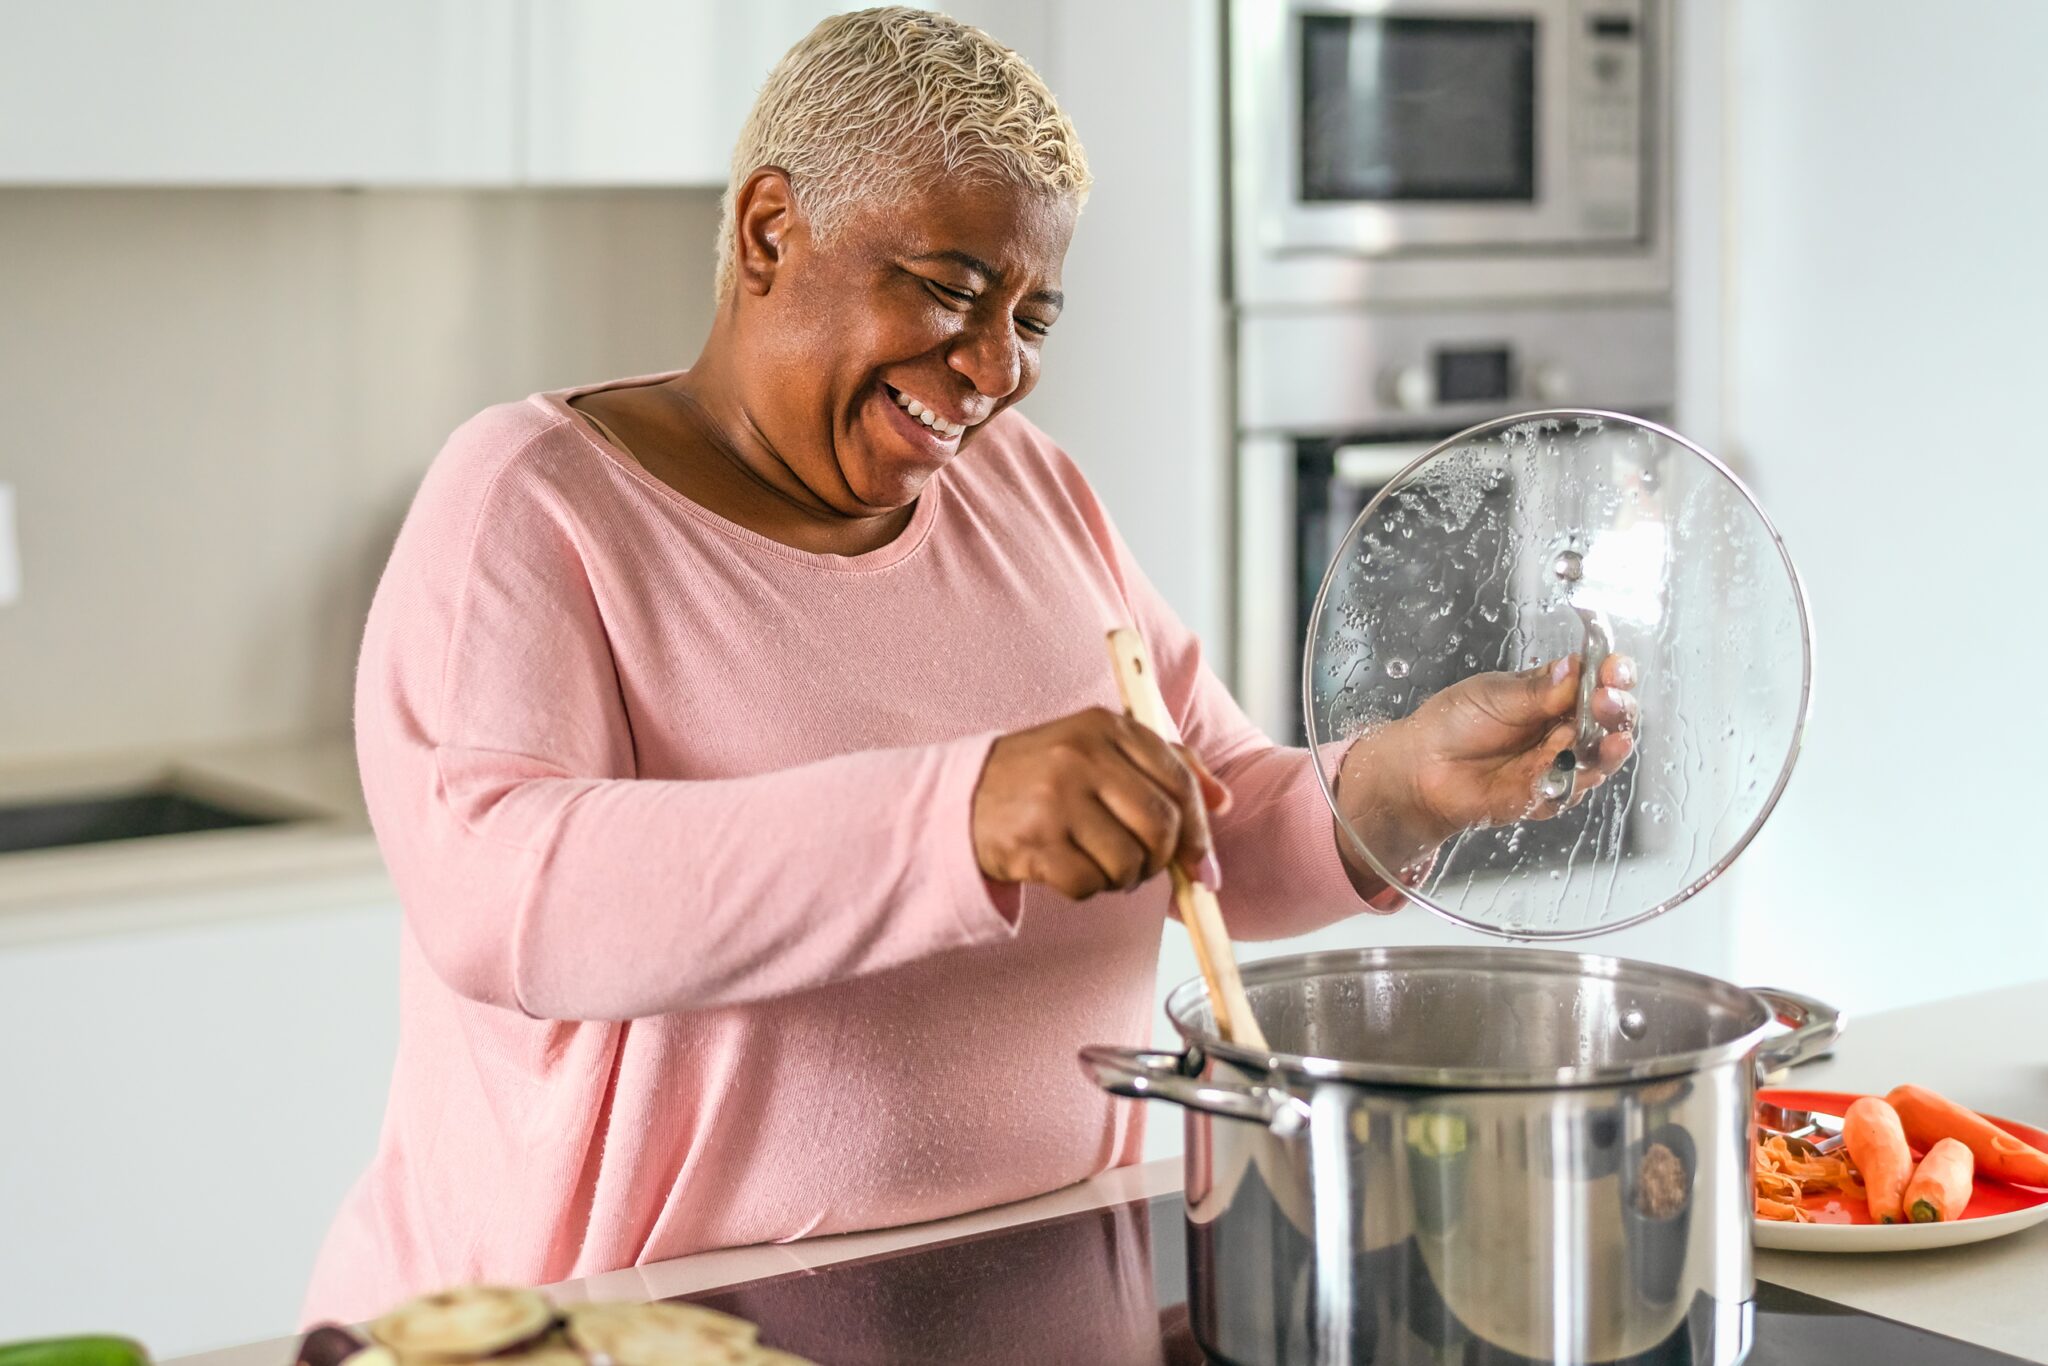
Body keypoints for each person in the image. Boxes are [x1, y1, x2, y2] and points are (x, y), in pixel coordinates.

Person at [303, 7, 1635, 1322]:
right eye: (948, 288)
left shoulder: (1029, 491)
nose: (997, 367)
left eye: (1032, 314)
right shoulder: (537, 501)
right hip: (634, 1330)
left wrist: (1398, 785)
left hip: (1045, 1288)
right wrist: (957, 814)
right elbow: (505, 893)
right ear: (772, 232)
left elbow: (1205, 818)